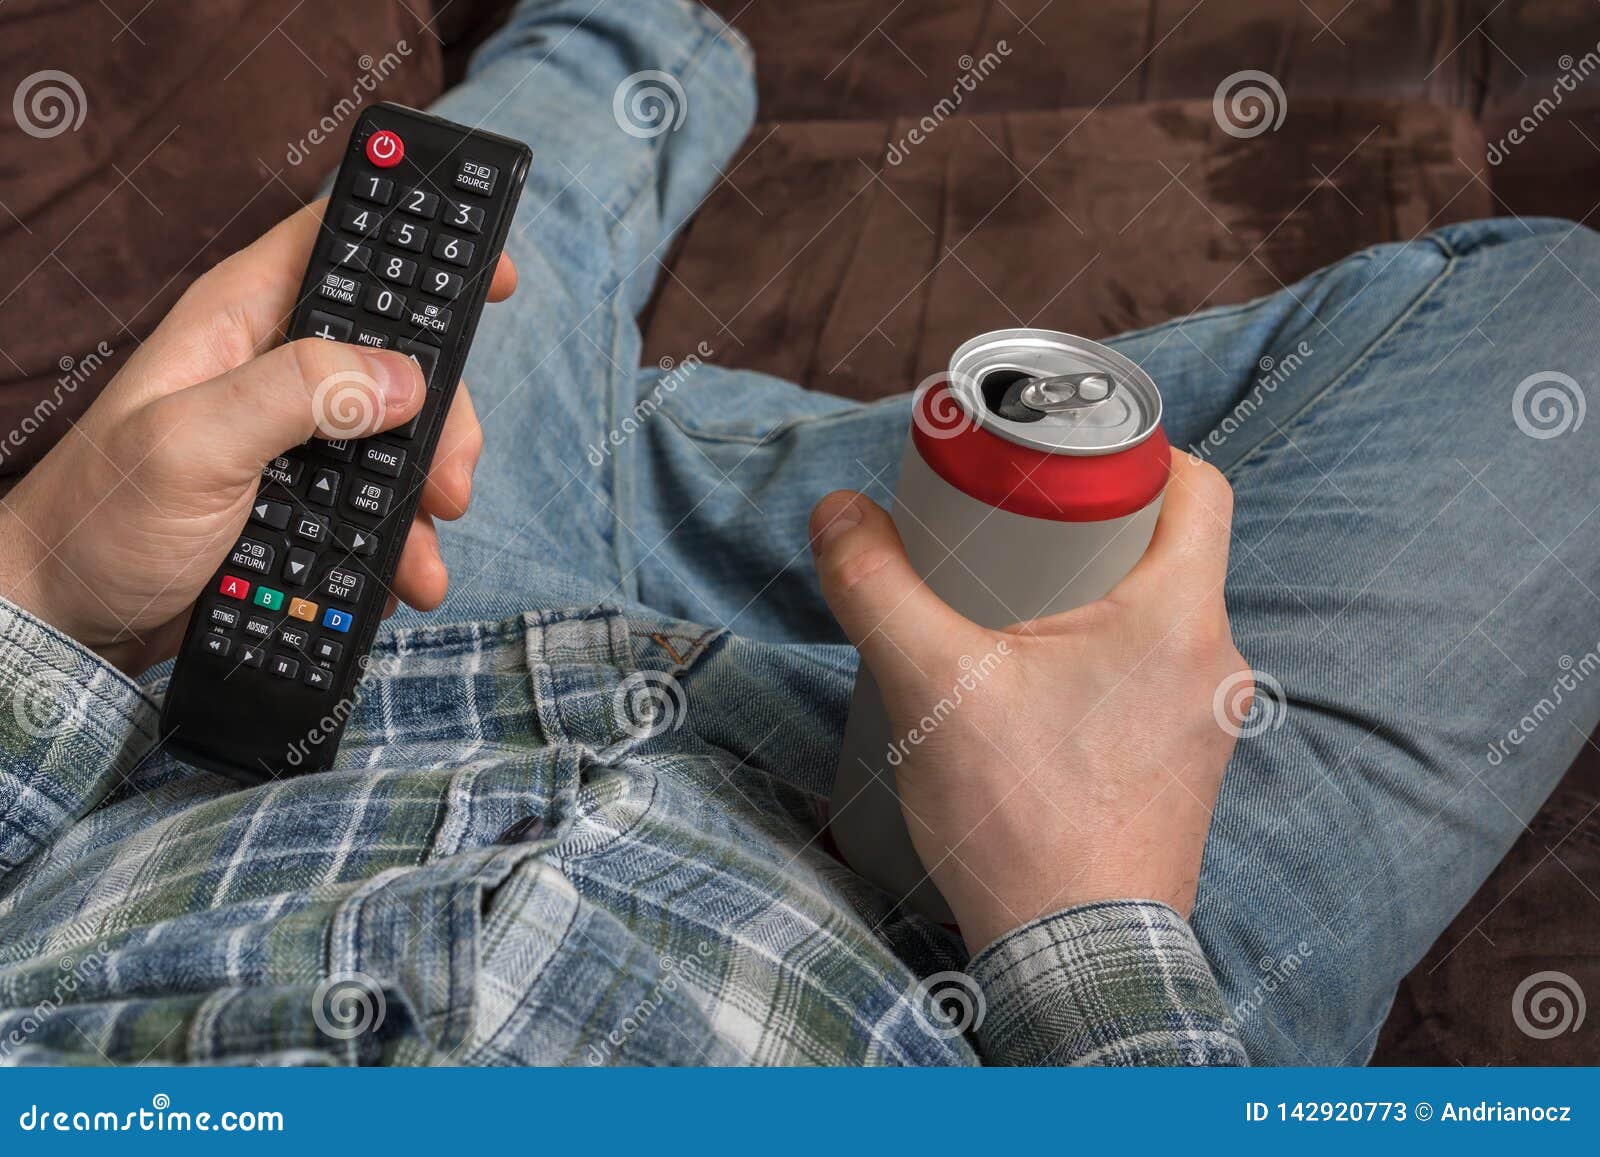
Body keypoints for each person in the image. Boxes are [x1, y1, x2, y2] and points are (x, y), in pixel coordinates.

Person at [0, 0, 1596, 1066]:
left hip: (352, 688)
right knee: (1564, 324)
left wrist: (39, 580)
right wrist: (1090, 923)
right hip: (981, 939)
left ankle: (644, 40)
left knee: (516, 205)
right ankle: (766, 477)